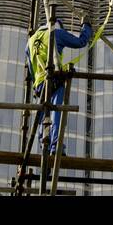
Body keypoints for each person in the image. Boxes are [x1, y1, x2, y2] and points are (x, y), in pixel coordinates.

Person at [26, 17, 93, 154]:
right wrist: (86, 25)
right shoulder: (56, 33)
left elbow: (31, 69)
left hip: (39, 83)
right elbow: (80, 42)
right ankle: (55, 145)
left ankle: (43, 141)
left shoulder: (30, 41)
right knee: (56, 111)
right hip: (54, 79)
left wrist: (36, 84)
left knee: (44, 112)